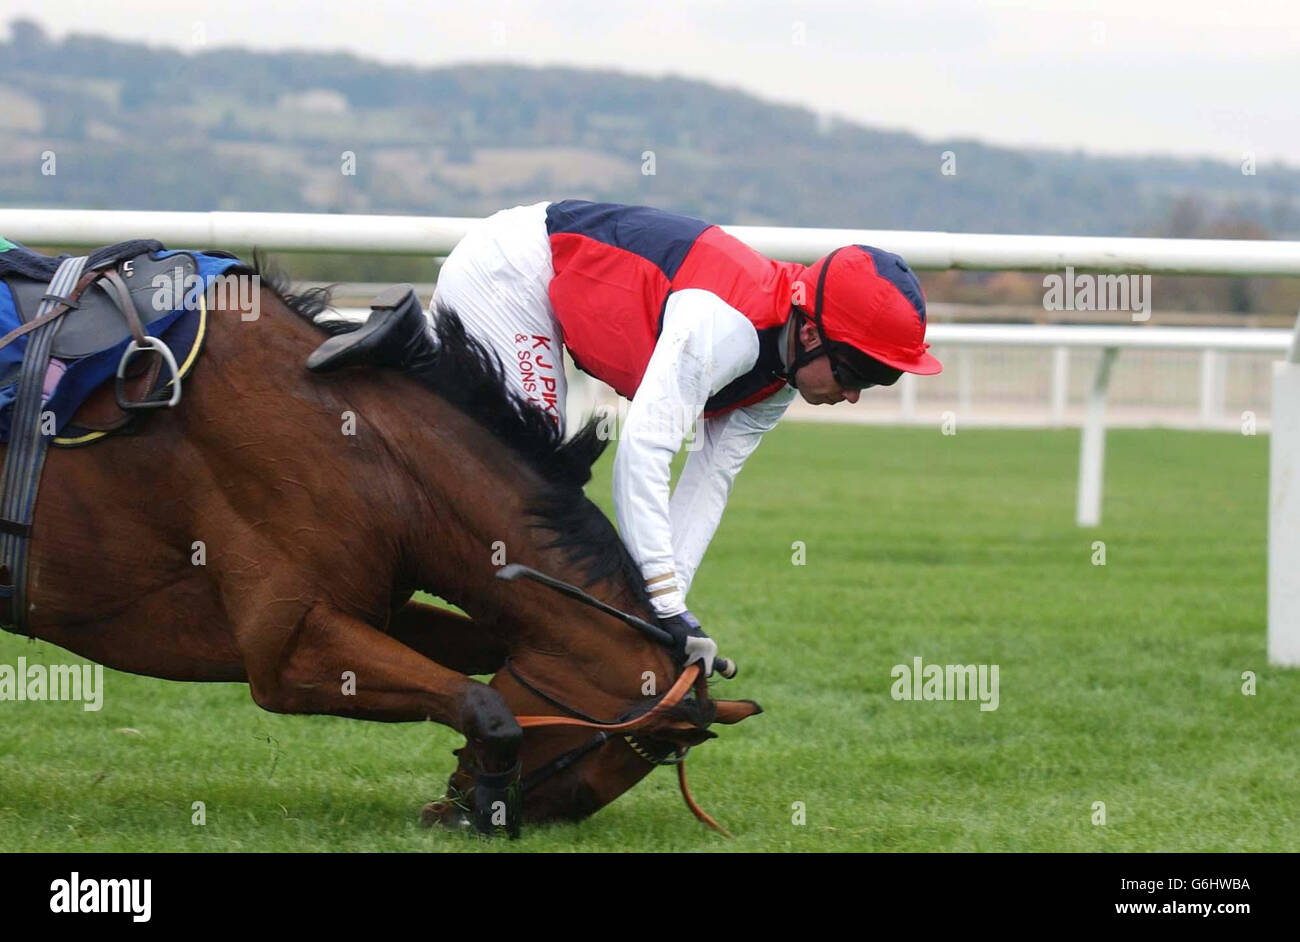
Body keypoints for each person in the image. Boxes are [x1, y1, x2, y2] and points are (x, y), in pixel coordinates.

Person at [428, 200, 942, 672]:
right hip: (510, 271)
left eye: (881, 379)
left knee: (541, 491)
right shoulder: (721, 327)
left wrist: (664, 617)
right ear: (811, 334)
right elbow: (644, 450)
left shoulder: (782, 375)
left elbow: (708, 482)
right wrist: (664, 606)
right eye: (859, 374)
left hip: (547, 285)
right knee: (533, 476)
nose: (854, 395)